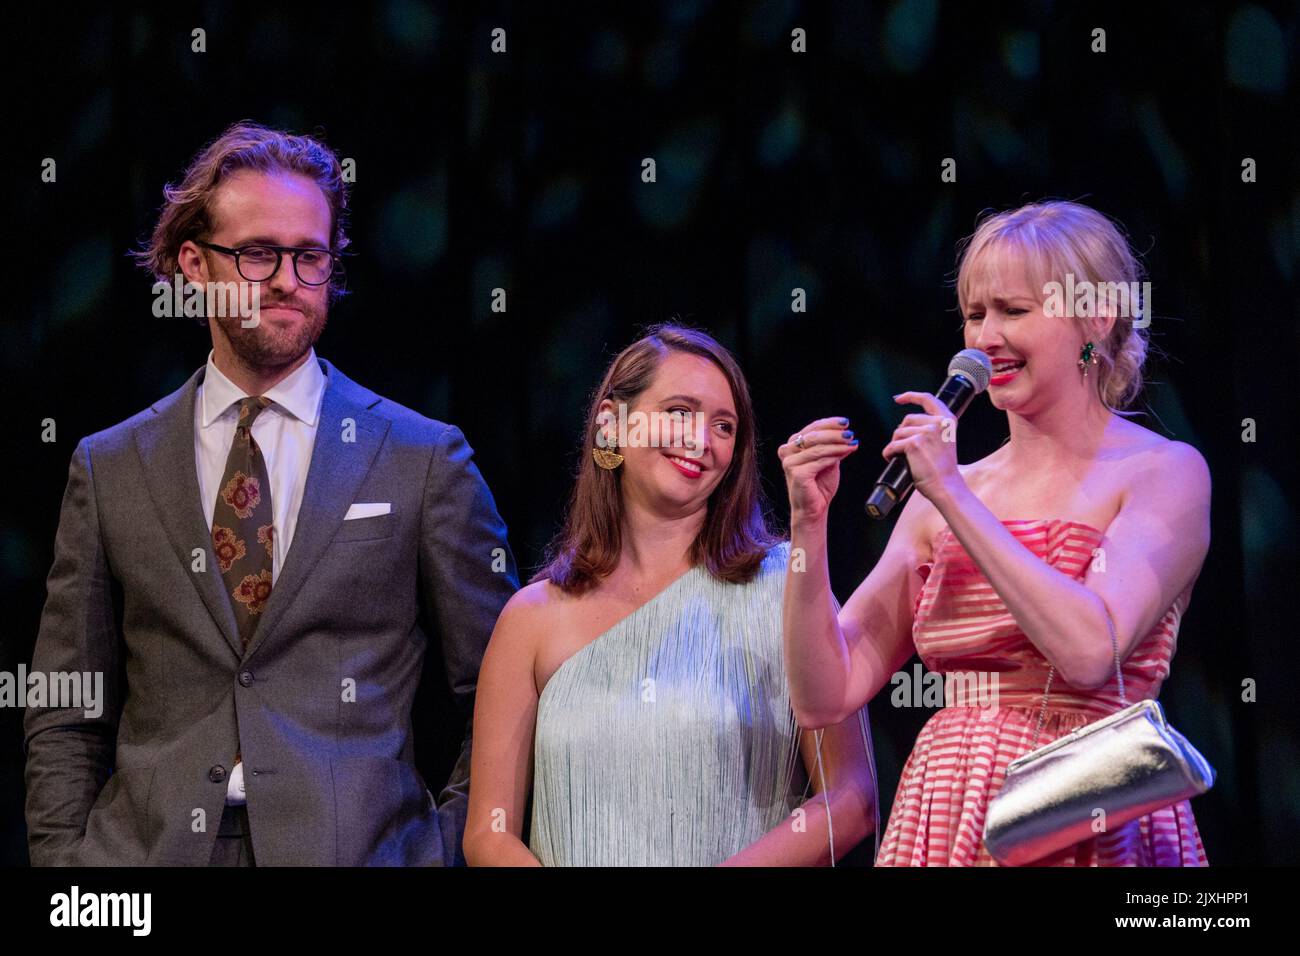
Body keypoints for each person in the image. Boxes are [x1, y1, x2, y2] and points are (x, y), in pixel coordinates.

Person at [23, 121, 518, 866]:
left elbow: (503, 689)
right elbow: (68, 702)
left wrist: (438, 849)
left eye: (310, 256)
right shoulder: (112, 465)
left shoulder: (423, 458)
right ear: (194, 263)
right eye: (258, 253)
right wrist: (69, 868)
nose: (287, 279)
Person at [780, 200, 1211, 865]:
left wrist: (951, 493)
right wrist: (808, 529)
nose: (984, 338)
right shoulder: (945, 498)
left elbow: (1090, 650)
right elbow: (822, 694)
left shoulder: (1161, 472)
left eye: (1013, 312)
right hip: (952, 805)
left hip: (1089, 799)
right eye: (975, 314)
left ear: (1094, 318)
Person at [464, 324, 876, 866]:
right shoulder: (533, 619)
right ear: (612, 423)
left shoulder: (784, 591)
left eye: (724, 426)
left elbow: (851, 799)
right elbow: (489, 833)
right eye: (680, 411)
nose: (701, 440)